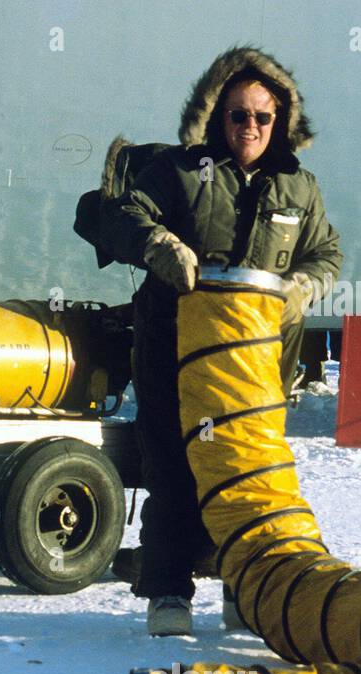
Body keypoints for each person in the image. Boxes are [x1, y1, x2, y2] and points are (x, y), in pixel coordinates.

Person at [98, 47, 343, 636]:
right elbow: (115, 212)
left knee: (246, 473)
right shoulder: (182, 172)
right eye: (238, 115)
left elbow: (326, 253)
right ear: (218, 117)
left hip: (256, 367)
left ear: (280, 121)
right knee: (176, 470)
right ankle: (167, 595)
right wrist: (156, 242)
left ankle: (244, 591)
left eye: (262, 116)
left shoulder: (300, 188)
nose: (250, 128)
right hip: (173, 354)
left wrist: (307, 285)